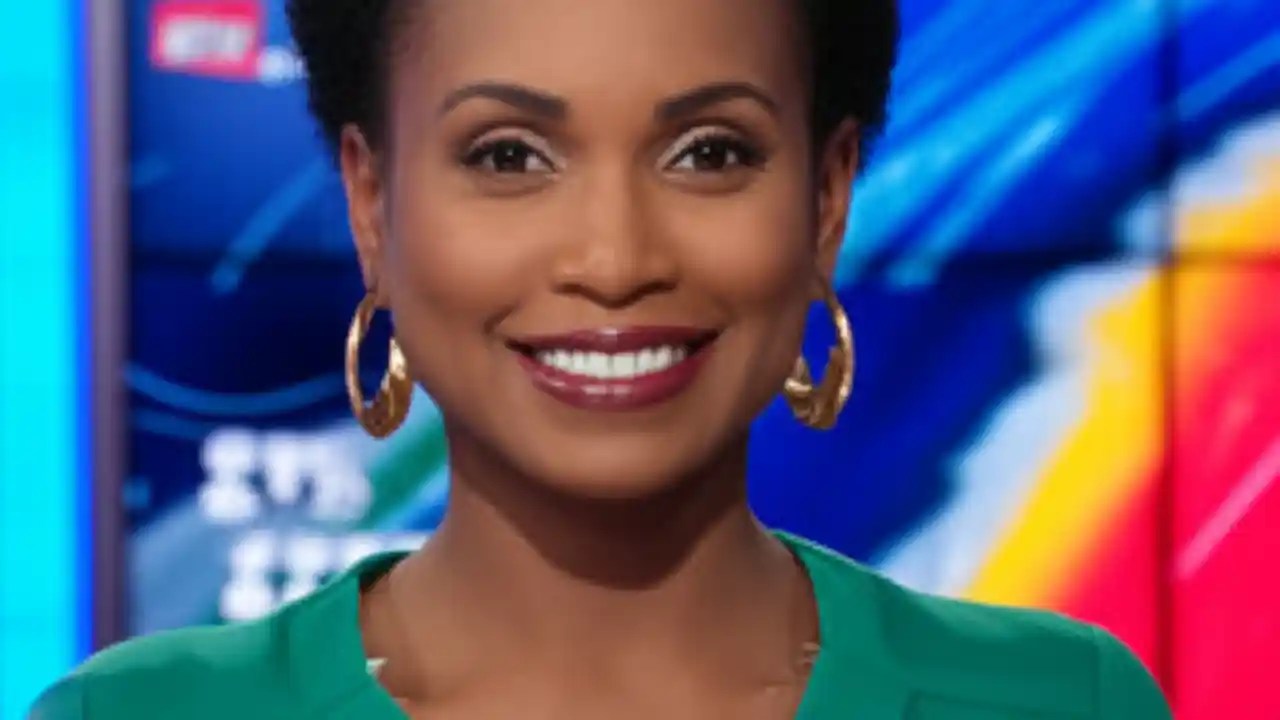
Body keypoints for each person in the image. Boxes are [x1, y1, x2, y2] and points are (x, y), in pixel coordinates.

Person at [32, 0, 1172, 718]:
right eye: (511, 154)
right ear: (371, 202)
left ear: (824, 200)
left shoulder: (1060, 700)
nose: (614, 258)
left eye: (708, 151)